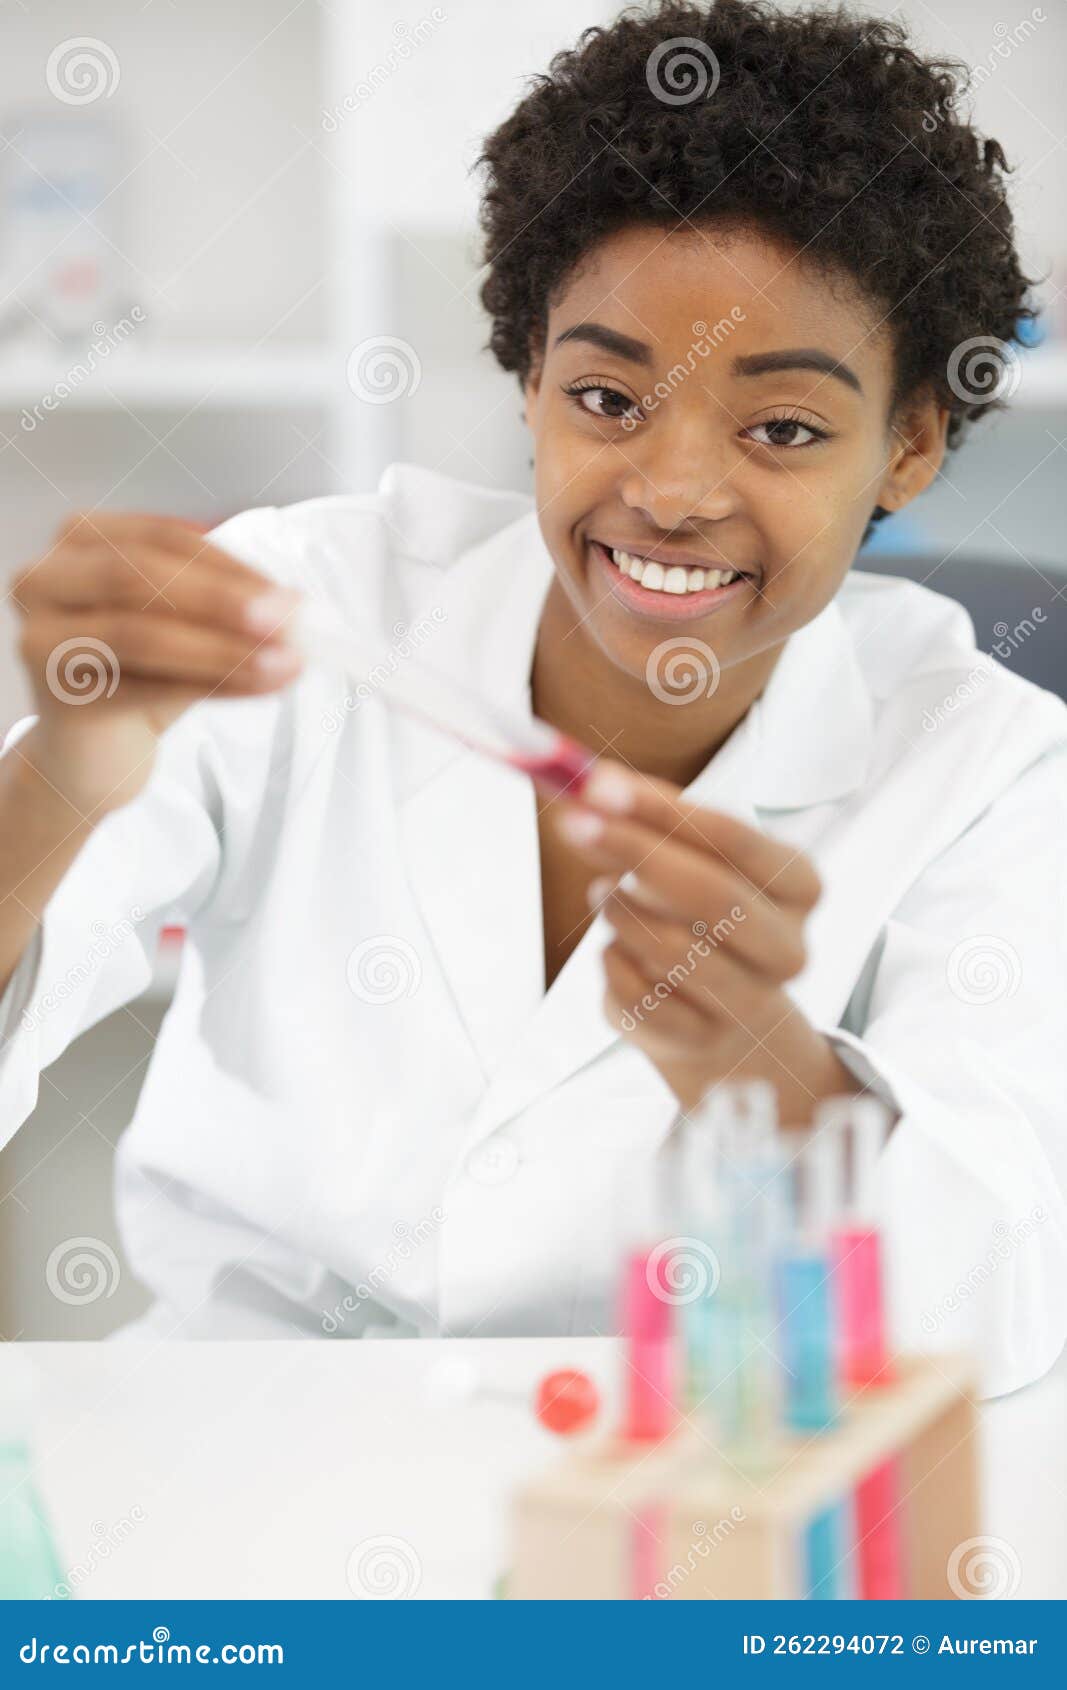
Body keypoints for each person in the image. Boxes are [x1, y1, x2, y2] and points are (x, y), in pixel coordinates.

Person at [1, 0, 1064, 1392]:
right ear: (527, 382)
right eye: (608, 400)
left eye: (784, 428)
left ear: (911, 444)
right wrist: (75, 762)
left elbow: (994, 1311)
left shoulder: (993, 767)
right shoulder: (308, 605)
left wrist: (759, 1062)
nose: (671, 493)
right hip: (245, 1446)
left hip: (697, 1479)